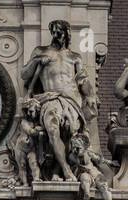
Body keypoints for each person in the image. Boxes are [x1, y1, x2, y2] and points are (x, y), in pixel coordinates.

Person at [21, 20, 96, 183]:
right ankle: (66, 170)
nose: (56, 36)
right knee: (52, 129)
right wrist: (37, 61)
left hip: (71, 100)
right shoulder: (40, 51)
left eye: (59, 32)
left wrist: (90, 95)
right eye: (53, 32)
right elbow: (24, 75)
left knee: (70, 132)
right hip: (50, 98)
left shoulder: (75, 57)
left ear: (67, 33)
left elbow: (83, 80)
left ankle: (60, 170)